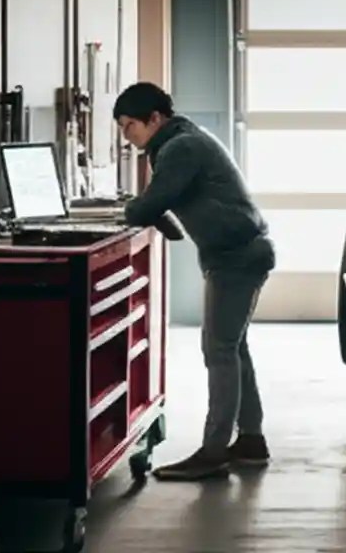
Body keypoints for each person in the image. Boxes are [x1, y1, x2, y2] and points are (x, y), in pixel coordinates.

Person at [113, 82, 277, 480]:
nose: (127, 136)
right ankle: (251, 441)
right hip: (241, 252)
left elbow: (153, 202)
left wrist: (122, 211)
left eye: (130, 125)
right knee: (233, 348)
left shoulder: (180, 147)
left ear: (155, 118)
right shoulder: (180, 141)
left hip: (236, 257)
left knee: (219, 349)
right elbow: (168, 207)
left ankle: (214, 450)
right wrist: (148, 212)